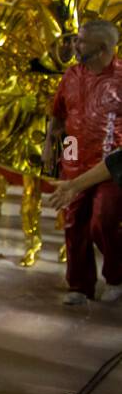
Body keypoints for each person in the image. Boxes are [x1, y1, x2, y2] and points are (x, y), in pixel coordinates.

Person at [44, 18, 122, 304]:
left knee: (102, 220)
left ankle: (116, 275)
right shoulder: (72, 74)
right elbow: (59, 114)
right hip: (74, 154)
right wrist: (51, 145)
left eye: (81, 40)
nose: (74, 44)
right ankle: (79, 286)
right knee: (73, 222)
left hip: (110, 166)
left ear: (102, 47)